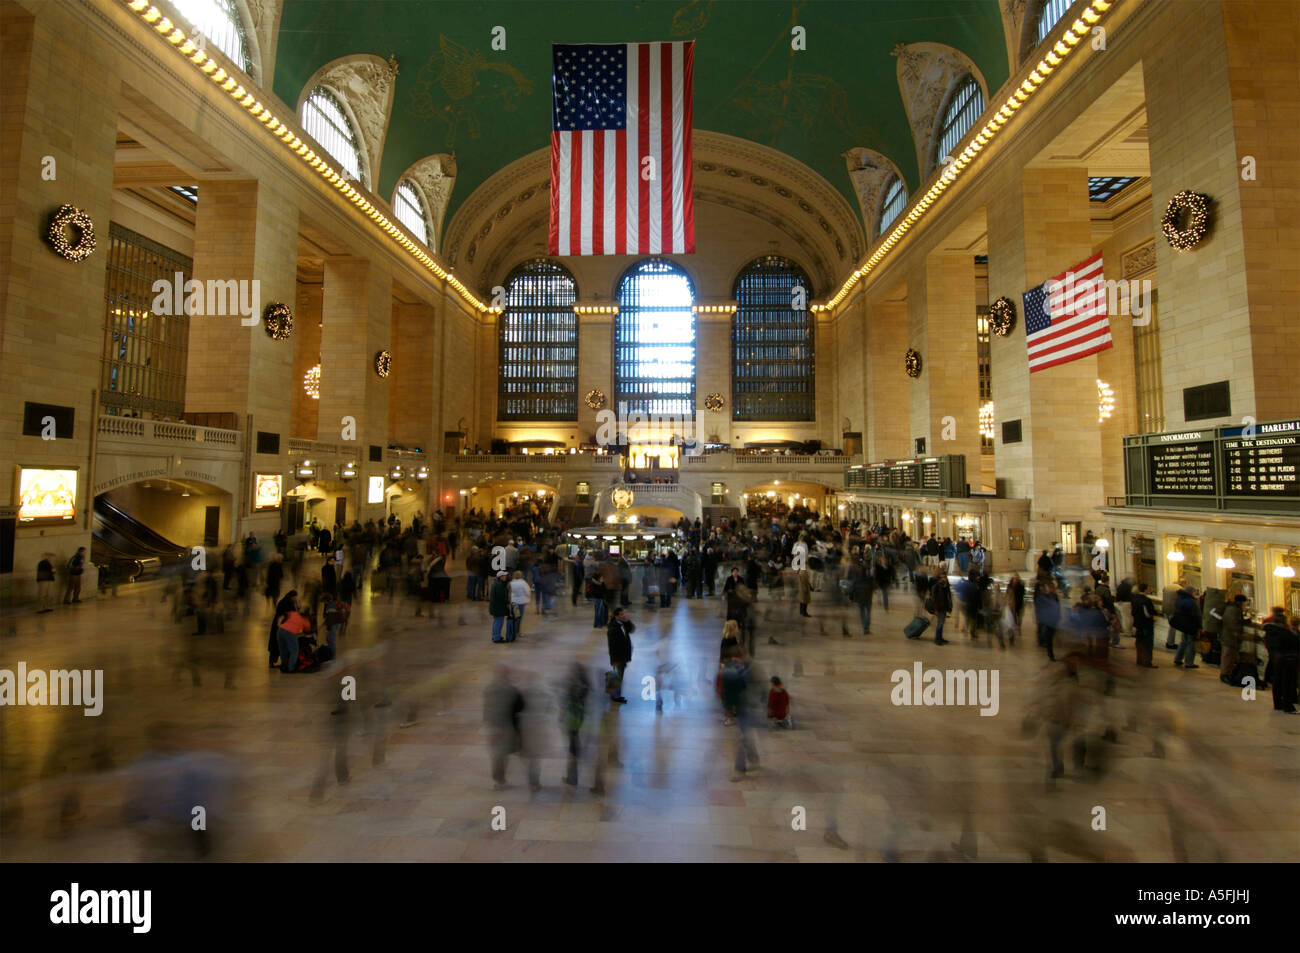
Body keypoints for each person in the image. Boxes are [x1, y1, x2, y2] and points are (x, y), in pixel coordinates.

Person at [1262, 608, 1298, 714]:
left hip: (1276, 658)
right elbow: (1293, 644)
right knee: (1287, 682)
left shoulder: (1270, 631)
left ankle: (1277, 703)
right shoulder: (1285, 633)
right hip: (1288, 659)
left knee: (1277, 681)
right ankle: (1288, 705)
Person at [560, 662, 591, 786]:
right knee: (574, 742)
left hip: (572, 717)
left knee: (572, 747)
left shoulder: (575, 685)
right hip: (579, 717)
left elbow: (567, 700)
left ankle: (572, 778)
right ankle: (572, 776)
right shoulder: (585, 684)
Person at [606, 606, 634, 704]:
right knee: (617, 676)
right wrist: (614, 659)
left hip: (623, 656)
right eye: (621, 614)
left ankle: (616, 695)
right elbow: (612, 645)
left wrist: (628, 621)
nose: (623, 615)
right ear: (616, 616)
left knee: (619, 676)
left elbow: (631, 630)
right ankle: (615, 696)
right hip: (618, 657)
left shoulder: (622, 624)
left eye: (623, 614)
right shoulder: (613, 628)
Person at [1170, 582, 1201, 669]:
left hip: (1182, 624)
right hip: (1191, 624)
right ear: (1192, 592)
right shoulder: (1191, 601)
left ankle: (1178, 658)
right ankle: (1189, 662)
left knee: (1183, 641)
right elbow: (1196, 615)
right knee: (1191, 643)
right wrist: (1199, 626)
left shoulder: (1180, 598)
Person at [1219, 594, 1247, 684]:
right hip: (1229, 636)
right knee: (1227, 656)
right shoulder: (1233, 609)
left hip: (1230, 636)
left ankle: (1228, 673)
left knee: (1230, 656)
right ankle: (1224, 674)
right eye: (1244, 602)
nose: (1245, 604)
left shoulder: (1233, 608)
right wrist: (1237, 631)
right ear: (1240, 602)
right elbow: (1231, 623)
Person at [1130, 582, 1158, 667]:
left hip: (1137, 623)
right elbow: (1148, 613)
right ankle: (1147, 661)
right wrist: (1153, 615)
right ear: (1146, 589)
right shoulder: (1146, 600)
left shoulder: (1134, 598)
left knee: (1139, 642)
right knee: (1147, 643)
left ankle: (1140, 659)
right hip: (1146, 624)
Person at [1034, 579, 1061, 661]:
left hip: (1053, 619)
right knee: (1048, 637)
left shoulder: (1054, 596)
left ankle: (1050, 652)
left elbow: (1057, 606)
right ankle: (1050, 654)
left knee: (1051, 636)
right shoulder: (1043, 596)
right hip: (1047, 619)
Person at [929, 568, 953, 645]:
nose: (944, 579)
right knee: (940, 623)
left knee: (942, 623)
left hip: (944, 607)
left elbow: (948, 597)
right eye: (942, 577)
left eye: (945, 577)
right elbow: (934, 599)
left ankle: (940, 638)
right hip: (939, 607)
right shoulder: (936, 587)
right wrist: (935, 609)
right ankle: (937, 639)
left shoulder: (946, 586)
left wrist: (949, 607)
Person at [488, 571, 511, 644]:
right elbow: (501, 597)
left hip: (496, 607)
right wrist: (507, 601)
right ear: (500, 577)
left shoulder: (497, 583)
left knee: (496, 622)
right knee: (498, 623)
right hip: (498, 608)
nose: (506, 577)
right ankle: (496, 638)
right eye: (504, 576)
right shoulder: (499, 585)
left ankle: (495, 636)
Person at [508, 569, 531, 640]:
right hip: (521, 602)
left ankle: (513, 631)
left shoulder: (511, 583)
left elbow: (509, 591)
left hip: (514, 601)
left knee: (514, 617)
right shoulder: (523, 583)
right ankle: (517, 632)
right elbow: (527, 592)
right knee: (519, 618)